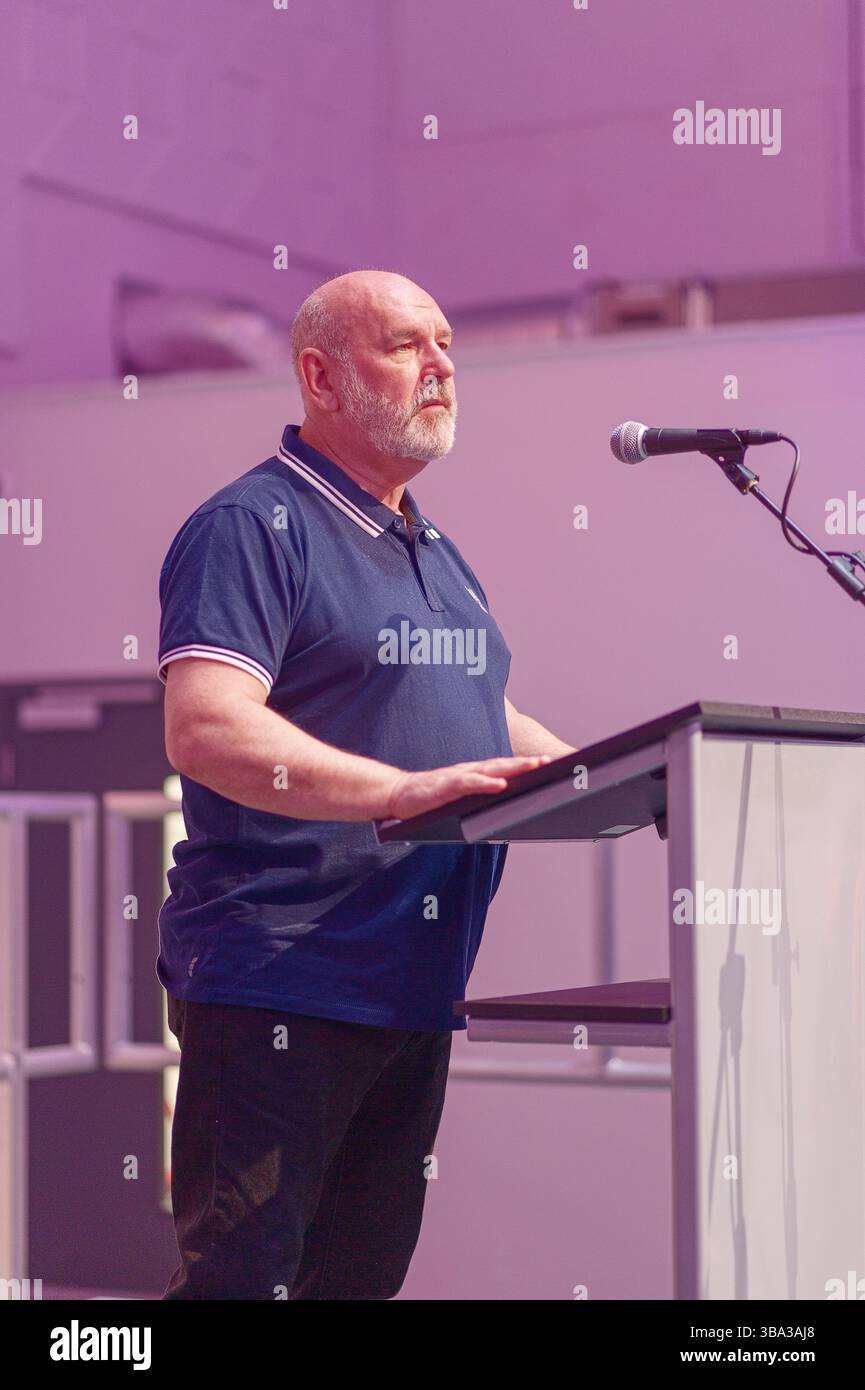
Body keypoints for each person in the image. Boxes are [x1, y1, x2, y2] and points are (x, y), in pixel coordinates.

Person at [157, 269, 576, 1300]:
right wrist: (397, 789)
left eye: (445, 342)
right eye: (404, 344)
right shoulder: (252, 526)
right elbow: (206, 728)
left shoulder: (435, 549)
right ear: (321, 375)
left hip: (412, 986)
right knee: (245, 1286)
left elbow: (484, 712)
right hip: (278, 984)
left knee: (356, 1284)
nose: (440, 364)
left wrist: (614, 777)